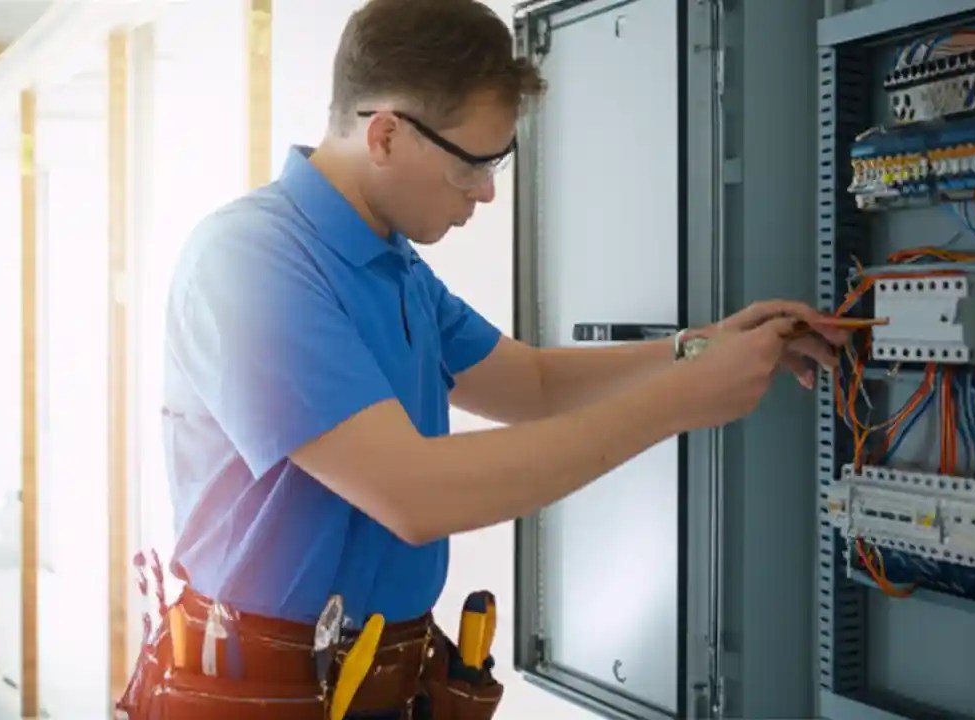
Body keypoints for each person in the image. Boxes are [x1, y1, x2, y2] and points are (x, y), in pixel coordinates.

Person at [116, 0, 847, 718]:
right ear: (386, 136)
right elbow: (414, 495)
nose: (488, 191)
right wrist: (684, 401)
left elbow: (529, 383)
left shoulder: (395, 265)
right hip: (263, 694)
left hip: (385, 681)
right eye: (473, 163)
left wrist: (694, 350)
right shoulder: (251, 261)